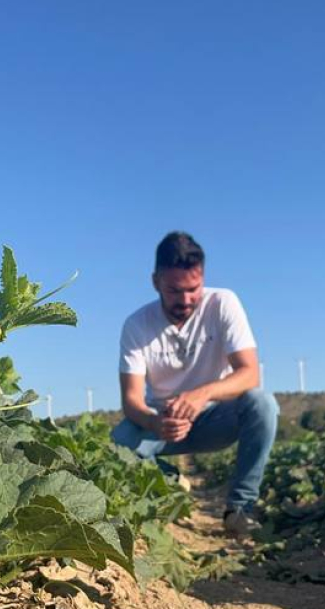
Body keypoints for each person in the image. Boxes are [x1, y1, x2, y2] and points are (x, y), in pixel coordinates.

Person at [112, 231, 279, 539]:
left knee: (263, 404)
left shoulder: (223, 303)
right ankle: (171, 483)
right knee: (118, 442)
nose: (186, 300)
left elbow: (250, 374)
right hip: (163, 424)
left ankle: (239, 510)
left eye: (193, 289)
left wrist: (201, 395)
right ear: (155, 282)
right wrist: (155, 421)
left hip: (215, 417)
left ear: (203, 278)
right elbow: (131, 400)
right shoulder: (137, 325)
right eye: (175, 291)